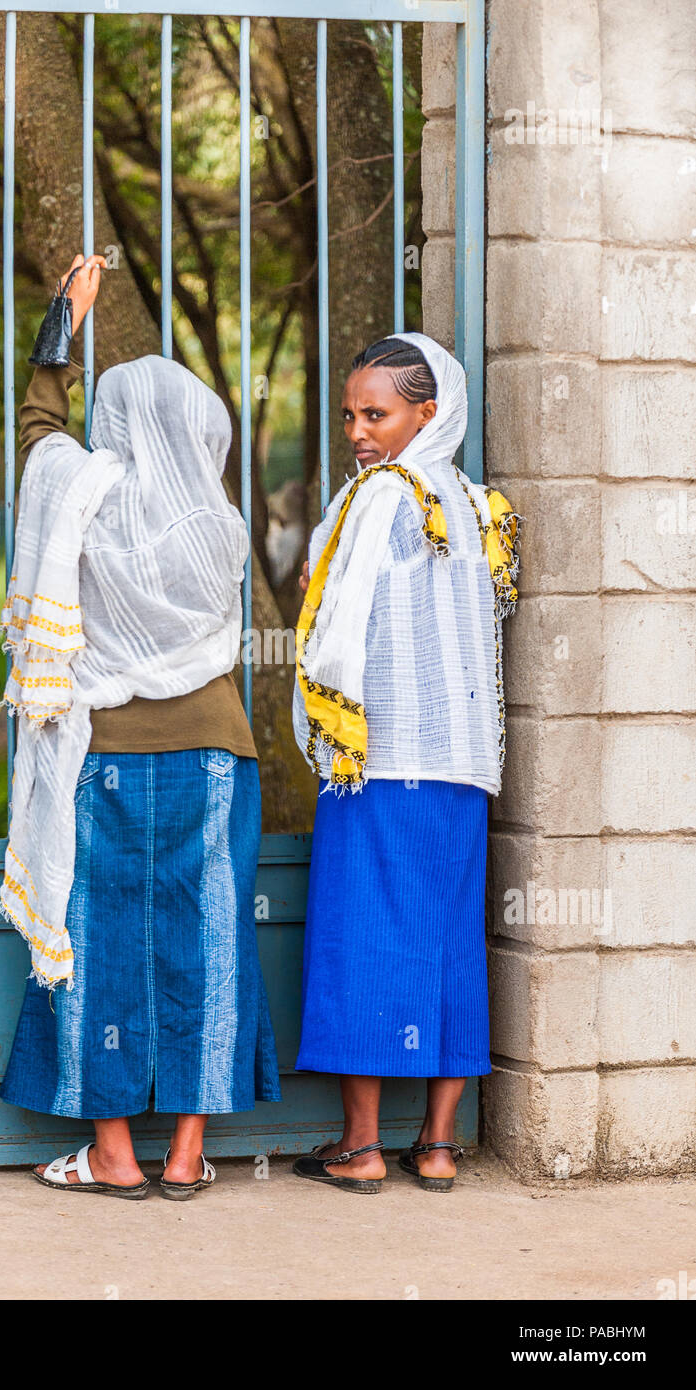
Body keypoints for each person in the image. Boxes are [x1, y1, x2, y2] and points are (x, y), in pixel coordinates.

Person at [0, 255, 280, 1200]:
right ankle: (190, 1154)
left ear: (113, 428)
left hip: (105, 755)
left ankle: (113, 1154)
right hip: (214, 757)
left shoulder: (80, 493)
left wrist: (65, 323)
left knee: (95, 935)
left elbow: (39, 436)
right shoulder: (220, 526)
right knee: (209, 937)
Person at [290, 332, 520, 1194]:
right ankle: (436, 1145)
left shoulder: (377, 496)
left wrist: (326, 730)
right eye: (350, 414)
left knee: (362, 937)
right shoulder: (476, 504)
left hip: (378, 758)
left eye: (375, 413)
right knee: (448, 940)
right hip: (460, 765)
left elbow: (332, 625)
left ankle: (358, 1148)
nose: (357, 430)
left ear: (428, 413)